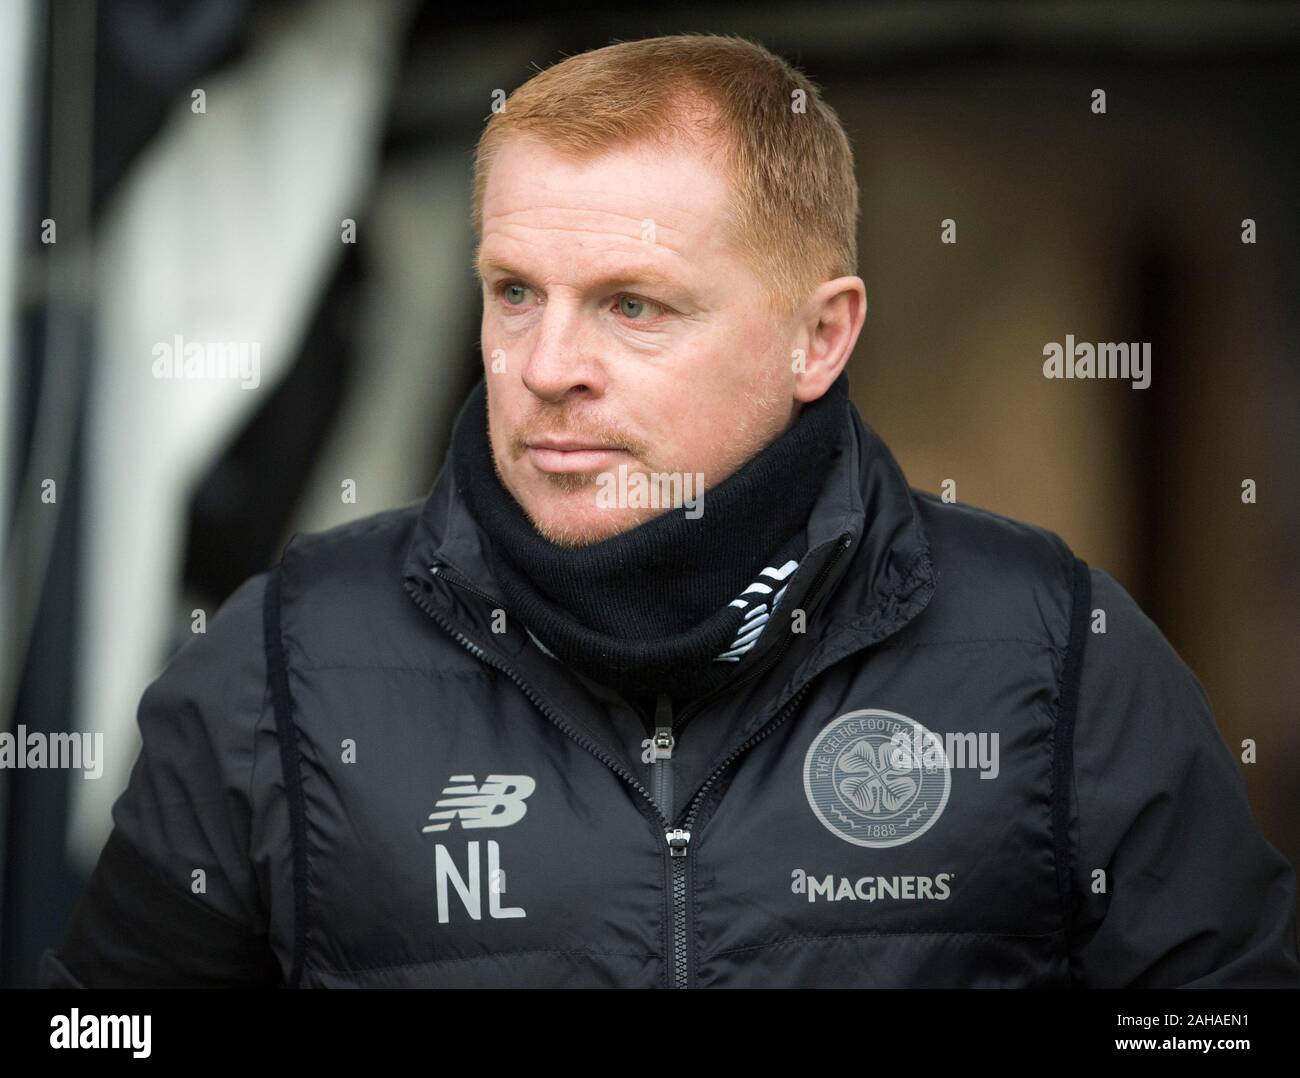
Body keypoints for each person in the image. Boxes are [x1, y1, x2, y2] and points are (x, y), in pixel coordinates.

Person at [41, 32, 1299, 988]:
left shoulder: (1049, 647)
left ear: (820, 336)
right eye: (516, 292)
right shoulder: (285, 661)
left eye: (633, 306)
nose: (546, 367)